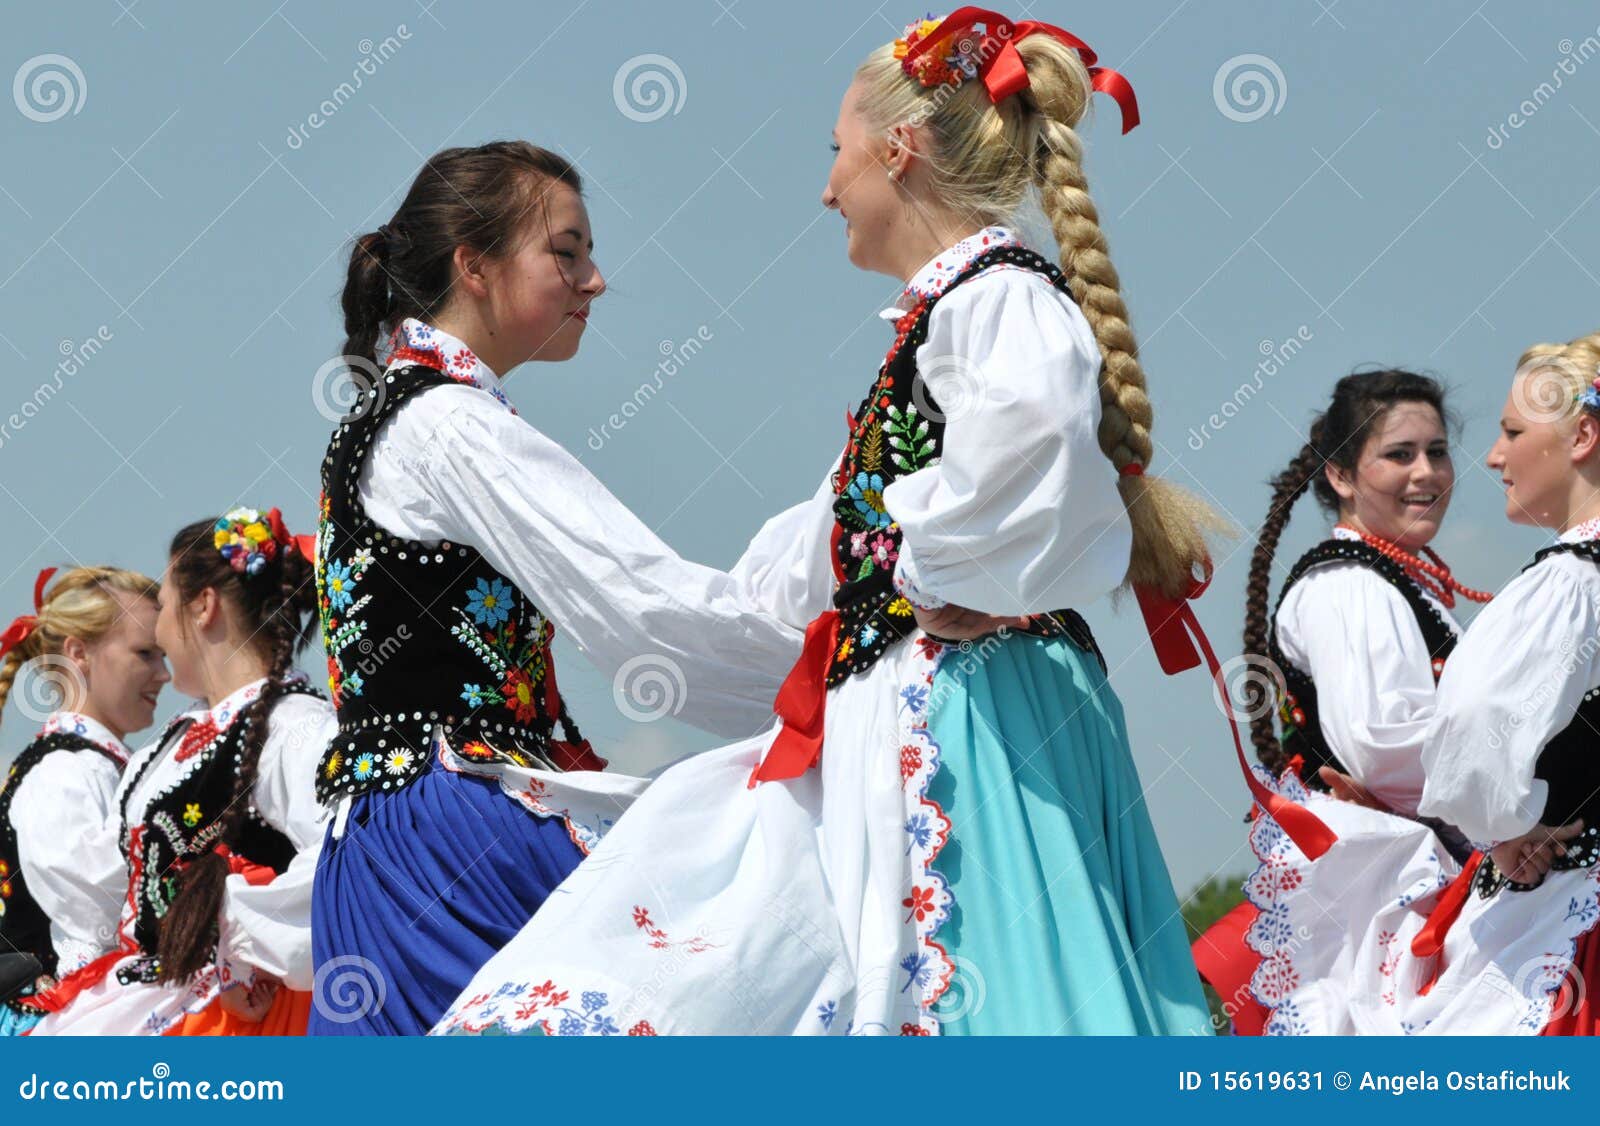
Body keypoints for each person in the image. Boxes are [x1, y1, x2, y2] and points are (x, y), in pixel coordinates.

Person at [436, 10, 1223, 1036]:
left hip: (973, 718)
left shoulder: (992, 295)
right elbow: (818, 563)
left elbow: (1034, 430)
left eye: (835, 153)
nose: (824, 188)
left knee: (993, 984)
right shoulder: (951, 315)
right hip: (933, 708)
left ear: (897, 150)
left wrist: (942, 574)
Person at [309, 140, 807, 1034]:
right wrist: (836, 678)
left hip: (382, 847)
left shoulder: (392, 415)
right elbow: (640, 608)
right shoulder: (451, 425)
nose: (595, 280)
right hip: (460, 835)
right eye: (566, 252)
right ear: (476, 267)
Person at [1189, 370, 1489, 1034]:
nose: (1427, 473)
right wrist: (1522, 803)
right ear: (1342, 476)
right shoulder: (1350, 585)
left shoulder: (1398, 580)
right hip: (1385, 885)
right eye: (1400, 454)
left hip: (1417, 863)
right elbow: (1385, 746)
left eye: (1437, 452)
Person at [29, 508, 330, 1035]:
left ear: (204, 607)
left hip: (228, 1021)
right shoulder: (175, 741)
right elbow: (110, 883)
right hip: (149, 1000)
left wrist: (234, 931)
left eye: (165, 607)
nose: (162, 638)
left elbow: (340, 860)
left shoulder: (294, 726)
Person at [0, 565, 168, 1034]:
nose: (164, 675)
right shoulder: (64, 774)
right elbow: (103, 923)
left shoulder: (101, 766)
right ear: (80, 654)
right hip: (56, 1026)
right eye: (146, 654)